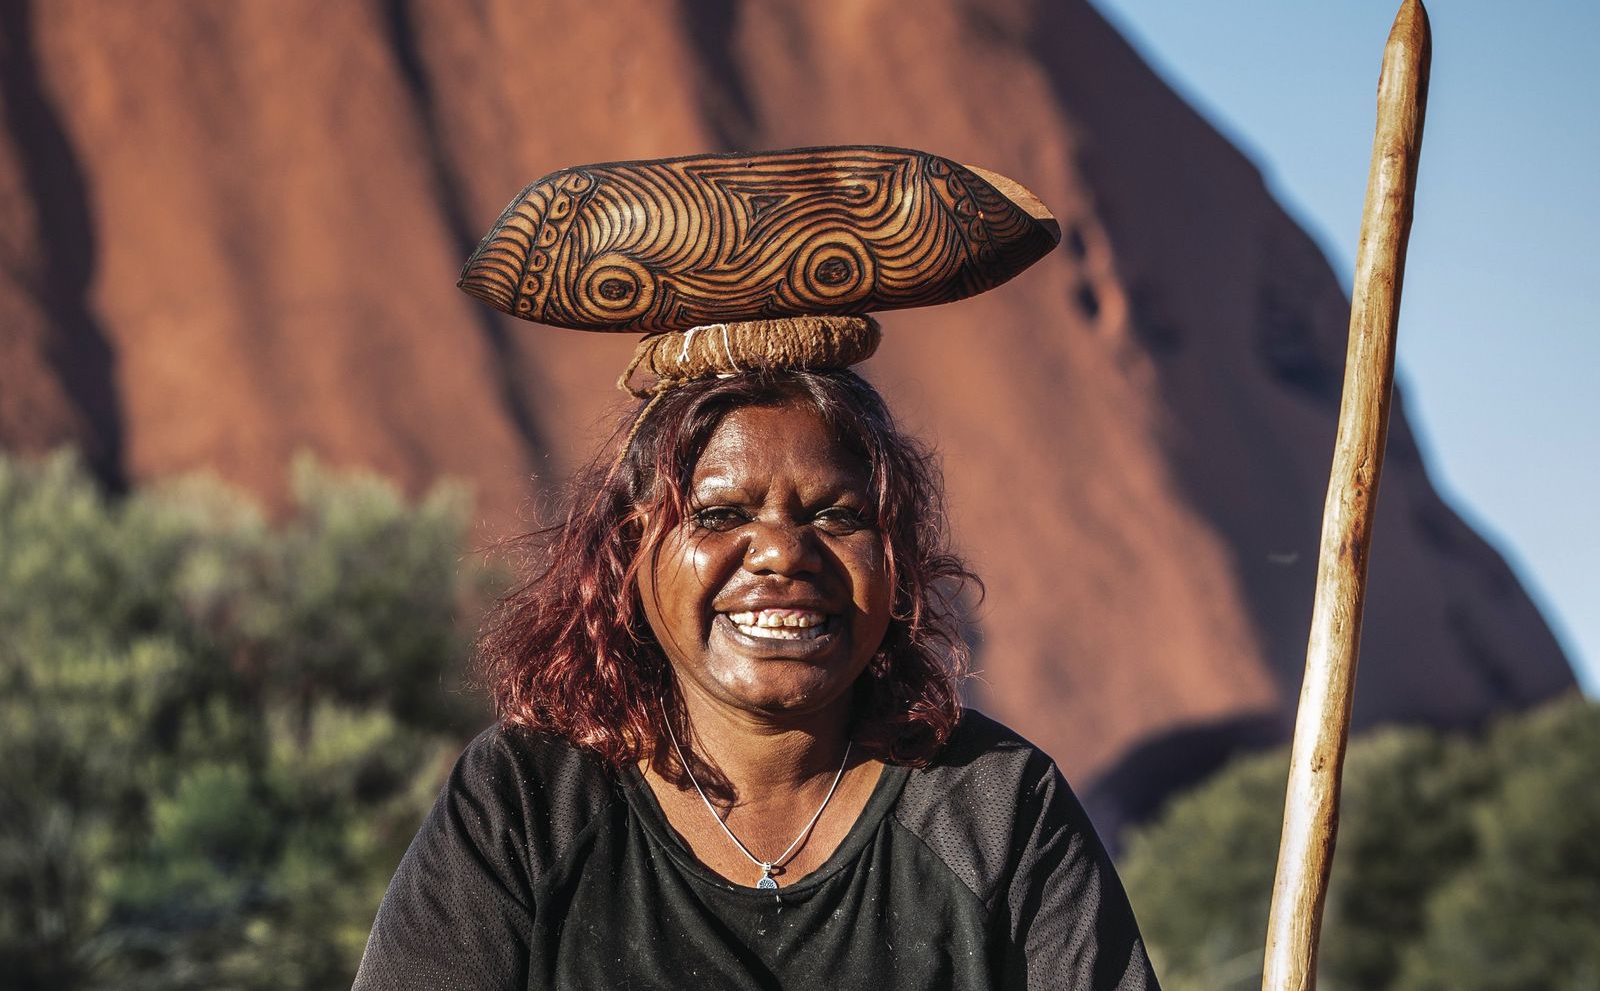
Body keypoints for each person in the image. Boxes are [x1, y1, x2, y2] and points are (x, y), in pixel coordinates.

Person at [354, 147, 1160, 989]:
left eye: (838, 516)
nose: (782, 552)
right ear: (631, 549)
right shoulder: (529, 802)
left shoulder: (994, 808)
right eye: (721, 515)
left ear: (896, 558)